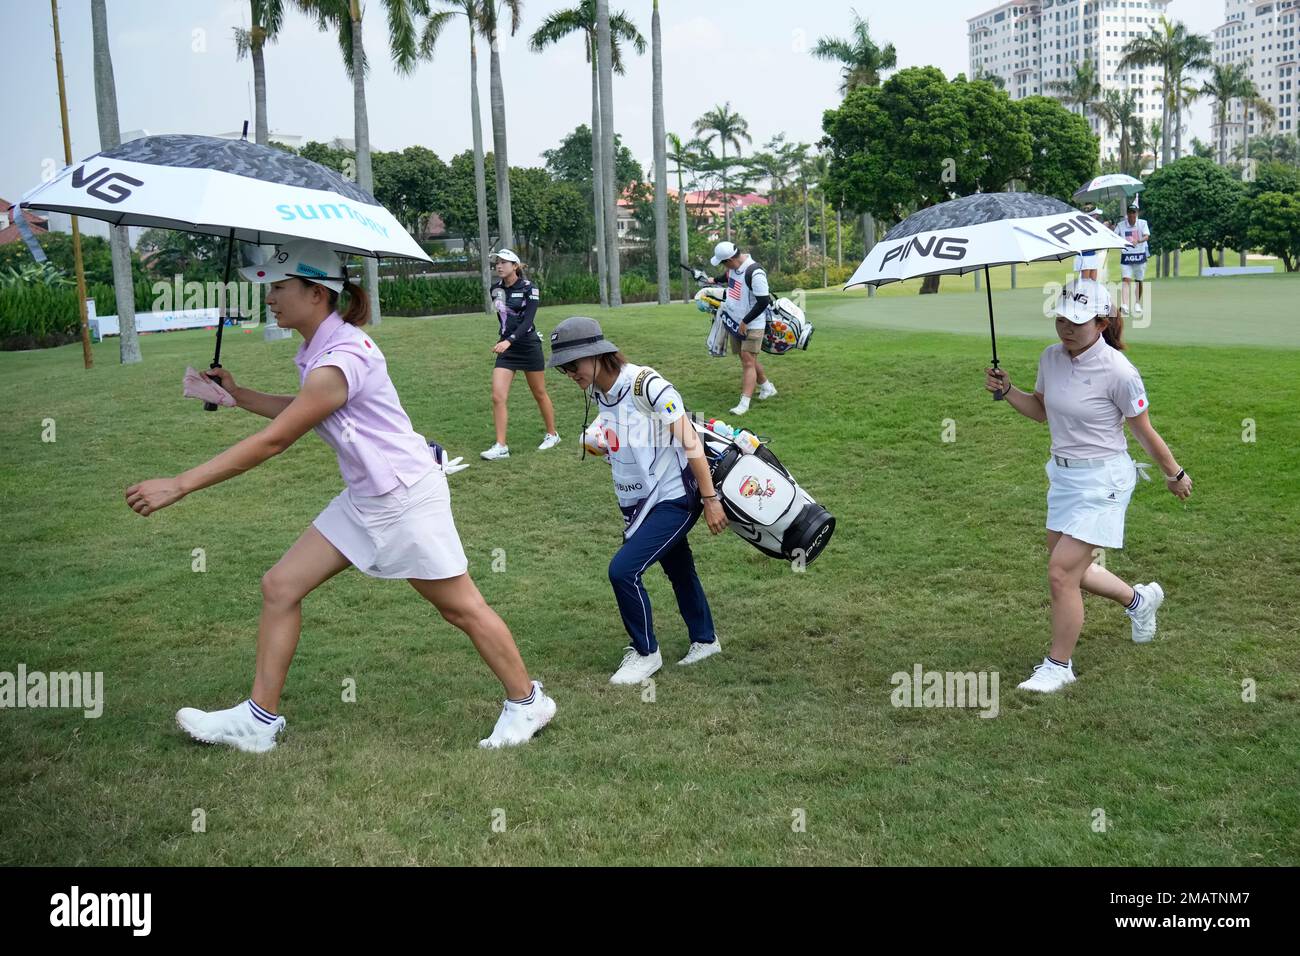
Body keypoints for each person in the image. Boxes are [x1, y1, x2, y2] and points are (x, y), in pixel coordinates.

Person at [125, 240, 556, 751]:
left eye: (280, 287)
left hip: (404, 496)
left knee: (460, 607)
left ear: (316, 293)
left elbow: (277, 438)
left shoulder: (340, 357)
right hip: (368, 496)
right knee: (280, 586)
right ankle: (258, 722)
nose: (270, 297)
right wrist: (236, 393)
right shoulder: (323, 352)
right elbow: (306, 408)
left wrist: (179, 484)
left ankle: (528, 703)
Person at [984, 277, 1191, 694]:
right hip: (1063, 477)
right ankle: (1139, 600)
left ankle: (1058, 665)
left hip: (1105, 480)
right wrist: (1008, 391)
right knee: (1076, 572)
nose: (1066, 327)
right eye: (1061, 318)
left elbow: (1144, 432)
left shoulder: (1118, 371)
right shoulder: (1050, 357)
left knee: (1061, 573)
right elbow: (1042, 411)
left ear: (1101, 323)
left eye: (1077, 321)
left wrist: (1175, 473)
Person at [548, 316, 728, 684]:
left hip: (675, 497)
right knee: (678, 569)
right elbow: (623, 433)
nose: (569, 374)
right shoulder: (601, 391)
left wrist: (710, 499)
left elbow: (690, 439)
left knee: (623, 571)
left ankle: (646, 653)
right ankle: (705, 640)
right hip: (640, 501)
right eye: (563, 369)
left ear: (597, 355)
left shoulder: (647, 385)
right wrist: (600, 442)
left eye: (573, 365)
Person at [480, 248, 561, 461]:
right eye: (497, 262)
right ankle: (501, 446)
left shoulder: (529, 288)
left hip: (527, 346)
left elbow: (527, 321)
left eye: (504, 262)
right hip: (507, 349)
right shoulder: (494, 289)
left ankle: (553, 434)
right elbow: (503, 318)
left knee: (539, 392)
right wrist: (504, 339)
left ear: (515, 266)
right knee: (498, 396)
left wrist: (509, 340)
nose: (499, 266)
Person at [709, 241, 777, 416]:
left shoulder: (755, 272)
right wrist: (714, 280)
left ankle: (744, 403)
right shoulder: (734, 269)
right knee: (748, 359)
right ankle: (767, 387)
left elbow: (763, 301)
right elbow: (728, 277)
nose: (725, 266)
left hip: (752, 324)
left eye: (724, 262)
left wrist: (745, 322)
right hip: (735, 320)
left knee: (747, 361)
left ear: (731, 259)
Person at [1114, 203, 1151, 317]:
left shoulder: (1142, 223)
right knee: (1126, 279)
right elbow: (1114, 235)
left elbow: (1146, 236)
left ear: (1137, 213)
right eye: (1130, 212)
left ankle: (1137, 303)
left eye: (1134, 212)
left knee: (1139, 280)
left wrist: (1138, 241)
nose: (1132, 215)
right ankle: (1125, 304)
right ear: (1127, 214)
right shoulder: (1121, 225)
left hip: (1139, 256)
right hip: (1126, 256)